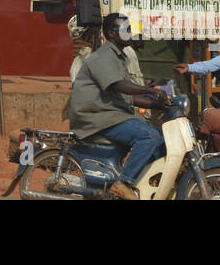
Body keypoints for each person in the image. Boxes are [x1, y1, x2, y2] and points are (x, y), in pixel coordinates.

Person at [70, 13, 170, 200]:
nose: (130, 33)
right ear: (112, 34)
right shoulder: (103, 57)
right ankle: (123, 183)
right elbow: (119, 85)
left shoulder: (119, 56)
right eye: (125, 30)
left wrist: (158, 104)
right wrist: (150, 90)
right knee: (149, 135)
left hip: (111, 114)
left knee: (161, 140)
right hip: (96, 117)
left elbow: (126, 97)